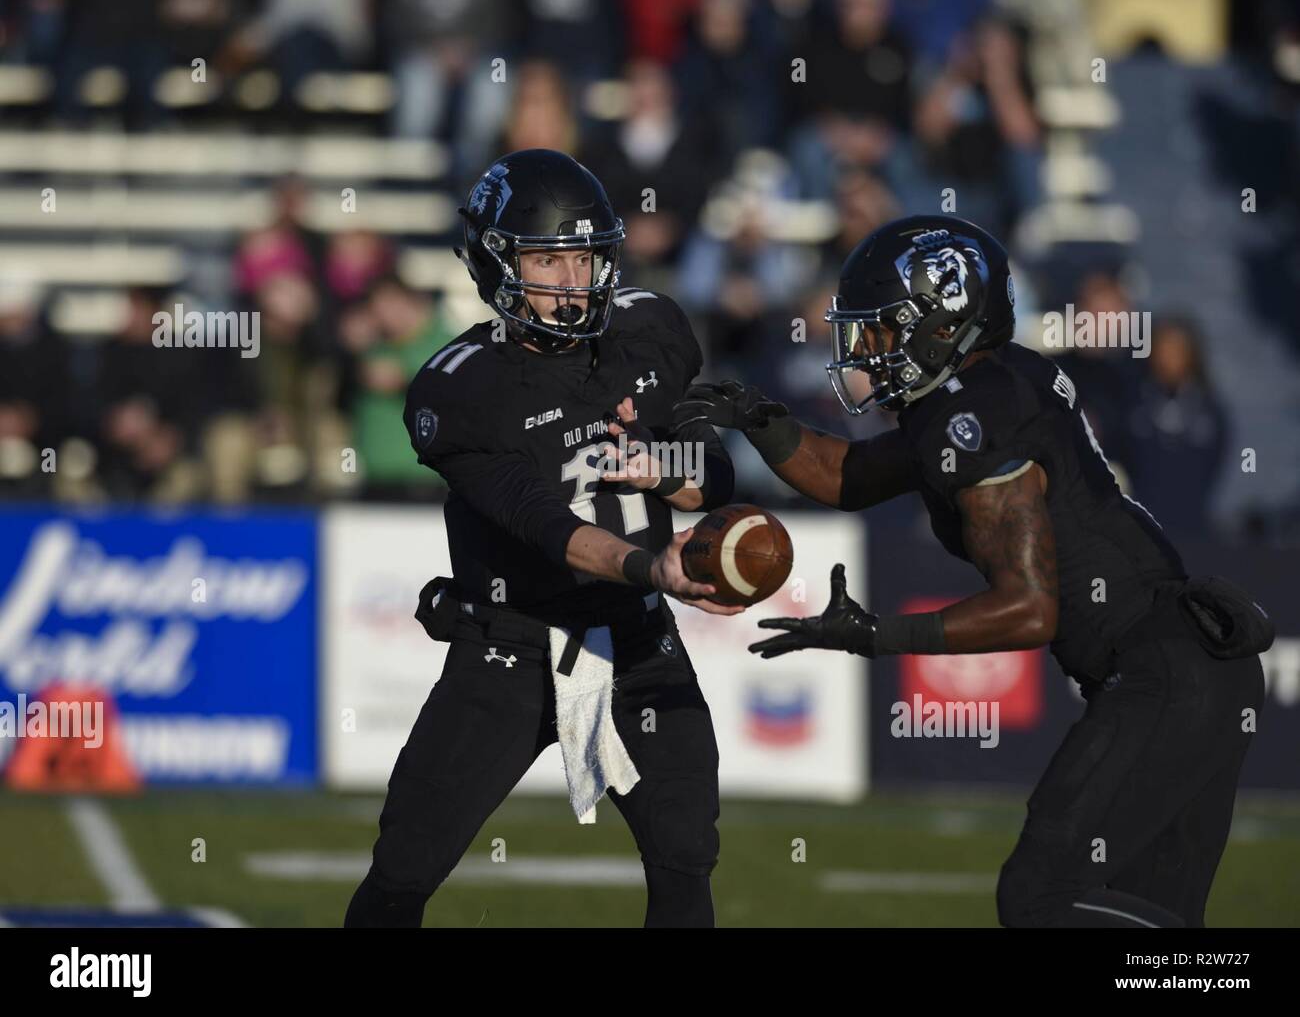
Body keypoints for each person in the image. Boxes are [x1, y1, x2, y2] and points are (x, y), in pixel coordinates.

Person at [675, 215, 1271, 928]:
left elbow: (1028, 610)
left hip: (1164, 672)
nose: (866, 349)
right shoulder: (985, 387)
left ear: (940, 325)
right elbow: (852, 475)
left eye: (884, 329)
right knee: (1149, 924)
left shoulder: (975, 418)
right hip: (1196, 663)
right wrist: (762, 420)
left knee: (1039, 897)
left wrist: (876, 635)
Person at [345, 149, 740, 929]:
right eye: (547, 259)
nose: (572, 280)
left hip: (635, 640)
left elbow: (713, 475)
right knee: (405, 867)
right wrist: (651, 564)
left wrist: (664, 469)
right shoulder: (460, 391)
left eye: (585, 257)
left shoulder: (646, 334)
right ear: (499, 268)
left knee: (686, 852)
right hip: (513, 645)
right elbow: (545, 524)